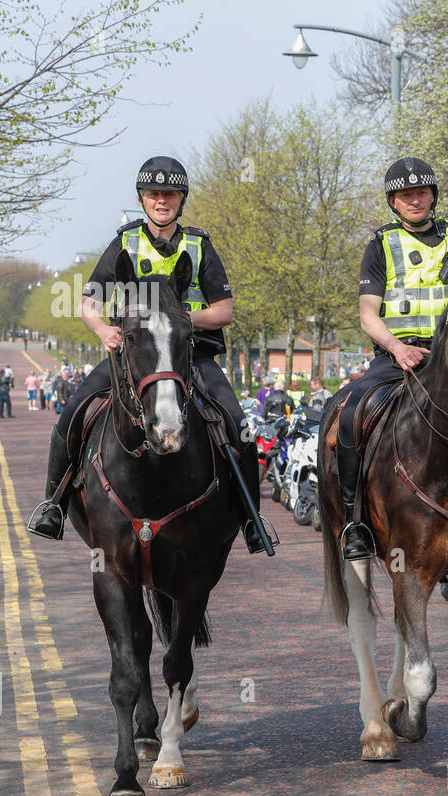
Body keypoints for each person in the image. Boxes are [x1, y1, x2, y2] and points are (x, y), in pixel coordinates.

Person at [27, 155, 268, 554]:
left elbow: (224, 309)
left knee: (237, 422)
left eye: (169, 194)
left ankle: (250, 519)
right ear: (142, 199)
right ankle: (53, 505)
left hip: (190, 356)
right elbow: (89, 303)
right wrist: (104, 330)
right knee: (72, 415)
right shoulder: (124, 242)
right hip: (133, 357)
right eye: (154, 194)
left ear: (181, 199)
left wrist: (183, 319)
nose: (162, 201)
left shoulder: (199, 244)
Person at [338, 156, 448, 560]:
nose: (415, 200)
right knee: (352, 413)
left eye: (421, 192)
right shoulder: (380, 244)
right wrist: (396, 347)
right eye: (406, 195)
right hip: (399, 356)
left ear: (433, 195)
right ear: (393, 202)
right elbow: (368, 312)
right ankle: (355, 522)